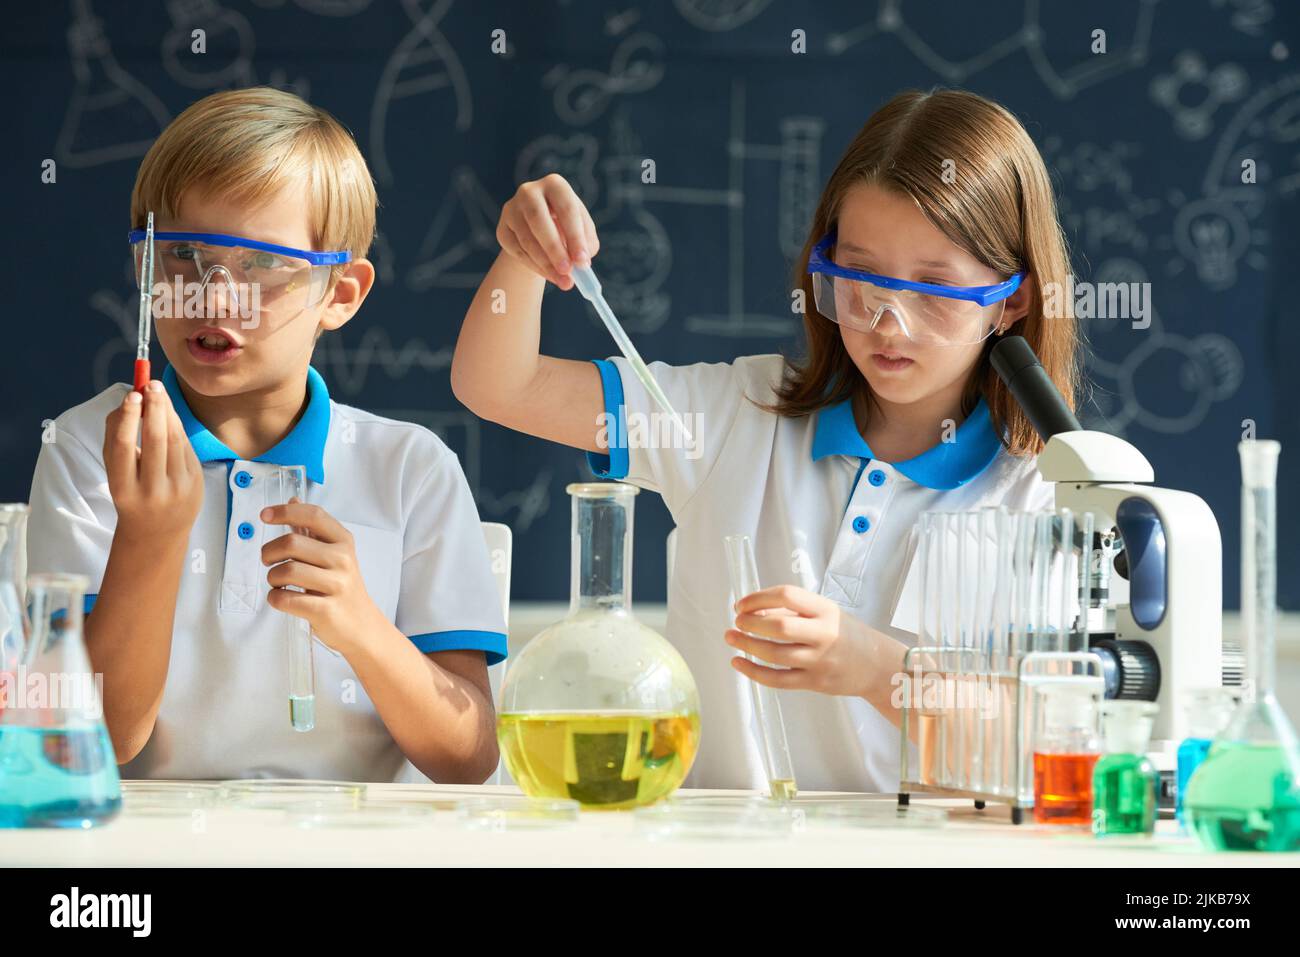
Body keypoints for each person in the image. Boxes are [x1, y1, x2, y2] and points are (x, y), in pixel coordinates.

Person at [451, 88, 1075, 792]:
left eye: (934, 289)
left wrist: (872, 667)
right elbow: (497, 385)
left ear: (1012, 299)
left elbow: (1046, 747)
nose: (886, 322)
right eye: (859, 277)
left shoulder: (1047, 498)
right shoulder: (736, 417)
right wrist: (526, 258)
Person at [27, 87, 506, 783]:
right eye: (185, 253)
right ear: (145, 268)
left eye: (260, 263)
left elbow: (468, 757)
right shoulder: (90, 449)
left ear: (339, 294)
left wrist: (364, 627)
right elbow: (92, 743)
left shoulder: (411, 470)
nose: (215, 295)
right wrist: (151, 538)